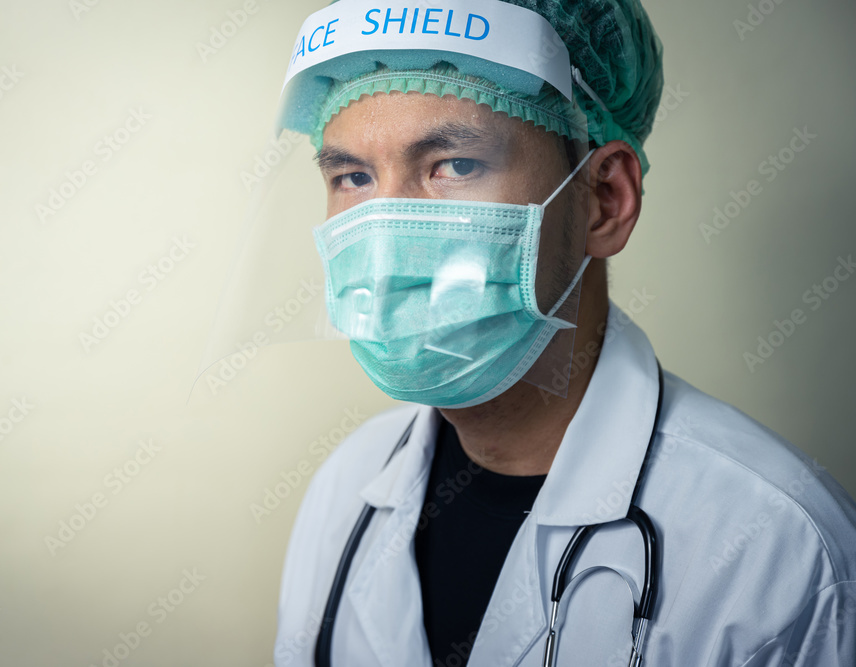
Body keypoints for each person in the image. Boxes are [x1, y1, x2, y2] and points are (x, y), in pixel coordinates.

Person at [267, 1, 856, 665]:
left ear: (604, 200)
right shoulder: (344, 488)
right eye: (354, 176)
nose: (386, 235)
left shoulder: (784, 549)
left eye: (454, 165)